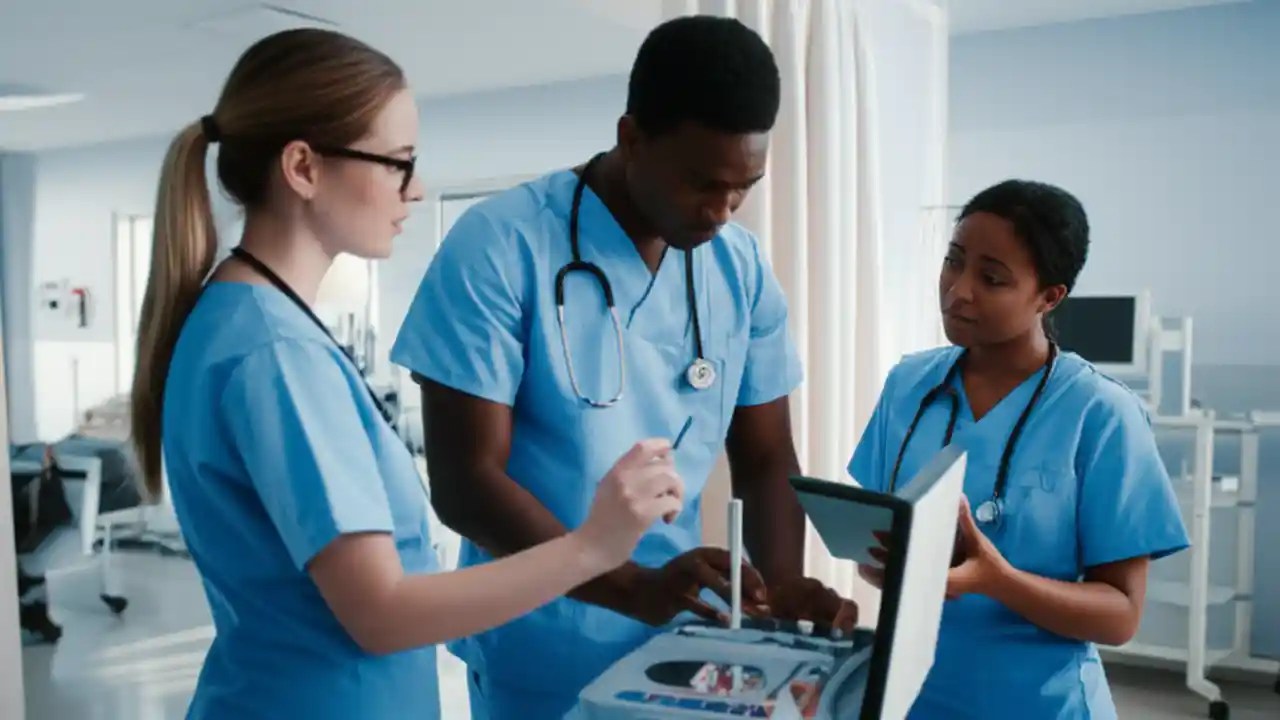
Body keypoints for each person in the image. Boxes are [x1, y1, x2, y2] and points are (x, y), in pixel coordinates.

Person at [129, 28, 690, 720]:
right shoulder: (275, 353)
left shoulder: (236, 319)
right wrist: (592, 548)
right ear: (302, 167)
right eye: (398, 164)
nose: (416, 190)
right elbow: (382, 613)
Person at [391, 15, 857, 720]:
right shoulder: (502, 245)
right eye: (702, 183)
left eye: (743, 188)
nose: (721, 211)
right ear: (632, 138)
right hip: (539, 642)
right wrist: (626, 584)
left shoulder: (739, 268)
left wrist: (779, 591)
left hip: (681, 644)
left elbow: (765, 456)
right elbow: (465, 483)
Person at [850, 179, 1191, 719]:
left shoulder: (1100, 414)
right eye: (953, 261)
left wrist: (998, 581)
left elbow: (1120, 616)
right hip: (913, 696)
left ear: (1049, 297)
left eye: (991, 278)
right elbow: (876, 547)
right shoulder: (908, 387)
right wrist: (884, 562)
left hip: (1041, 704)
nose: (958, 290)